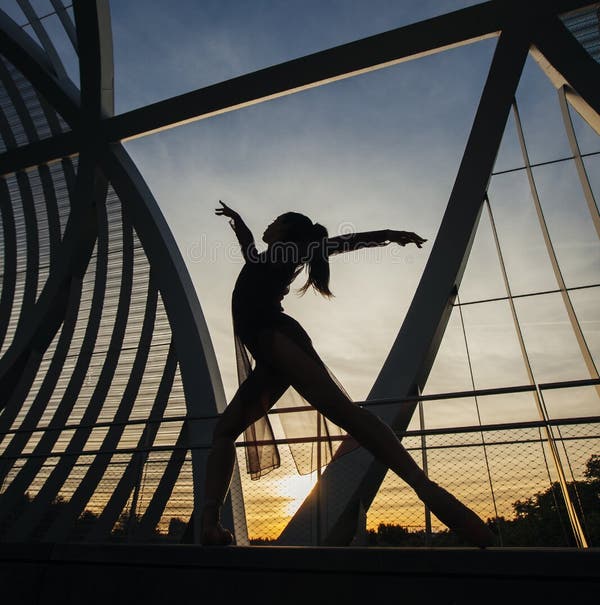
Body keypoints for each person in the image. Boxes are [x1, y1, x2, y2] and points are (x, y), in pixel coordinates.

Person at [201, 201, 494, 548]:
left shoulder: (290, 250)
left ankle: (429, 492)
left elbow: (341, 243)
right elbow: (249, 249)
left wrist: (388, 236)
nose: (270, 222)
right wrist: (238, 223)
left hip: (277, 339)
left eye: (276, 220)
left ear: (287, 231)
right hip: (269, 354)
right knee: (224, 431)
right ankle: (209, 526)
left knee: (348, 415)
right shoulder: (268, 256)